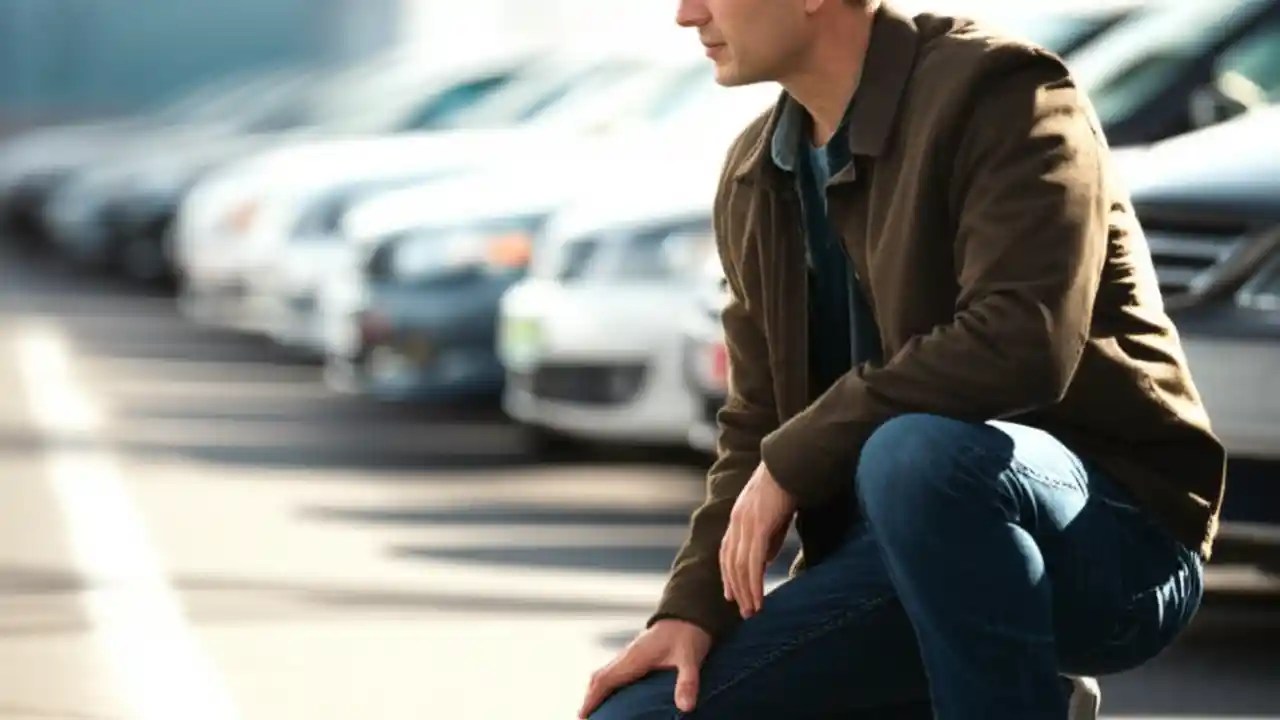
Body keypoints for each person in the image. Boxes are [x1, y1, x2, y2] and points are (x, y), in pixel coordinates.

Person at [578, 0, 1225, 718]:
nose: (684, 14)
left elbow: (1023, 341)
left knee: (916, 452)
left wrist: (800, 453)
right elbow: (755, 422)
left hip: (1112, 541)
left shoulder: (1007, 93)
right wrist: (691, 608)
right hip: (889, 557)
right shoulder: (755, 176)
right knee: (634, 717)